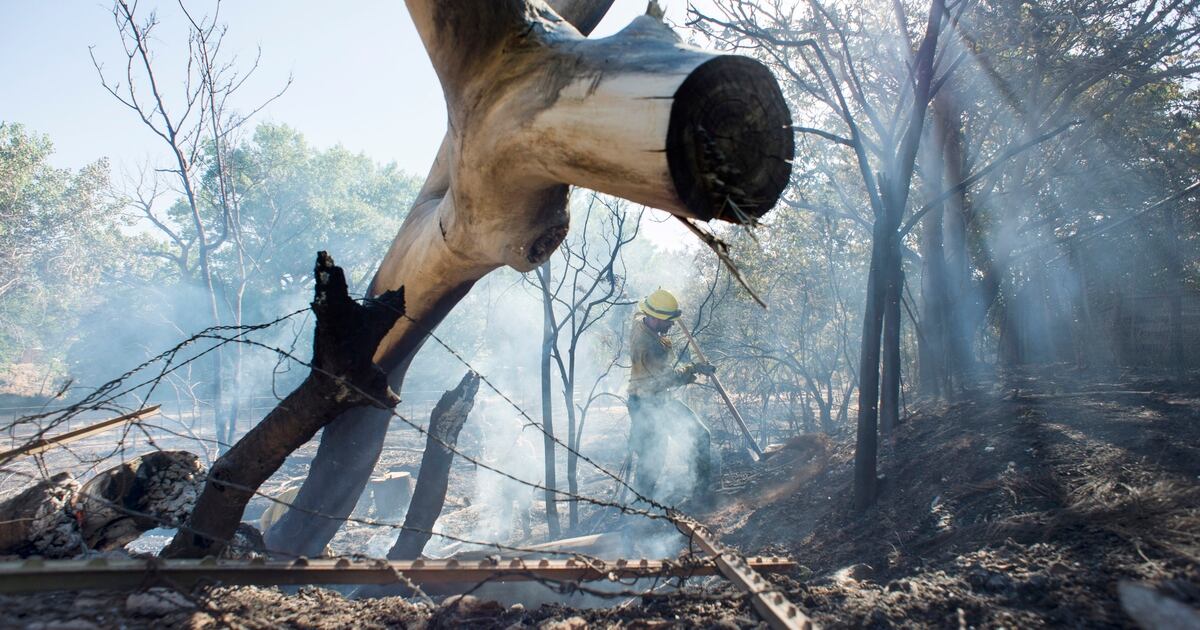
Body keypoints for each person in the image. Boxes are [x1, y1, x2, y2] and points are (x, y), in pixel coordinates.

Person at [627, 288, 718, 507]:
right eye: (668, 320)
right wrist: (694, 368)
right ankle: (639, 511)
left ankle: (699, 495)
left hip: (655, 400)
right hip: (647, 404)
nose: (672, 324)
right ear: (655, 318)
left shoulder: (641, 324)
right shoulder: (648, 346)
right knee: (653, 458)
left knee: (699, 436)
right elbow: (667, 379)